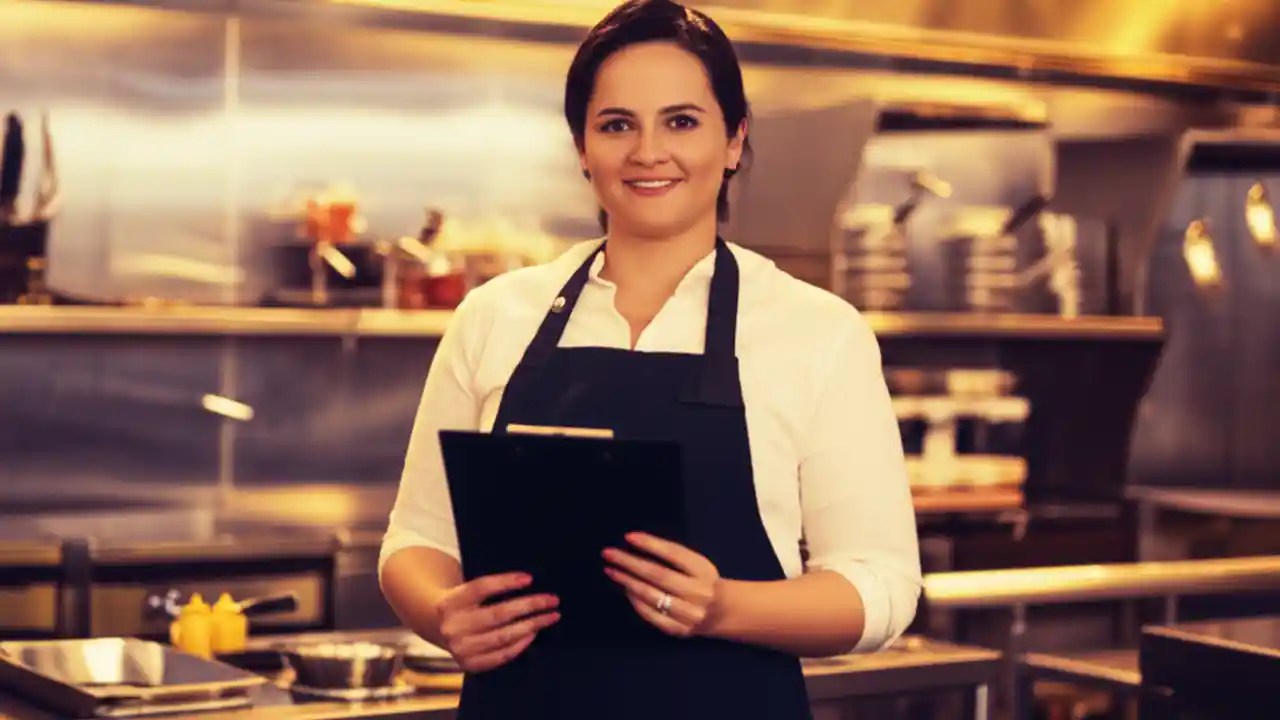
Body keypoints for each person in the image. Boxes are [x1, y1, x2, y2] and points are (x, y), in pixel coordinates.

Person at [379, 1, 922, 717]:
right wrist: (444, 614)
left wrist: (725, 607)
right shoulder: (494, 316)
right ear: (582, 148)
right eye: (616, 125)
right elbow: (415, 541)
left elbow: (881, 586)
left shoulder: (817, 331)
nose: (647, 152)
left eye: (682, 121)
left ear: (734, 141)